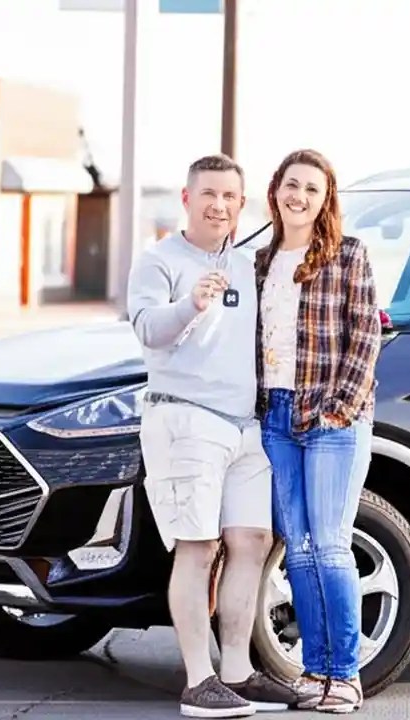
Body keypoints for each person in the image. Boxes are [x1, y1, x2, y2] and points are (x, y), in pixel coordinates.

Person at [127, 153, 299, 718]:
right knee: (197, 549)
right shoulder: (159, 261)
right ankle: (197, 682)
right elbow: (148, 329)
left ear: (241, 203)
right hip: (185, 421)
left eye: (230, 196)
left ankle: (237, 673)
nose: (219, 206)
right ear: (186, 198)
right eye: (208, 195)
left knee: (250, 543)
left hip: (245, 427)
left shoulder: (250, 262)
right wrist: (191, 304)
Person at [255, 149, 382, 714]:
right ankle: (314, 672)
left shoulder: (347, 255)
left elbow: (366, 336)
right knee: (299, 550)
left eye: (311, 188)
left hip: (333, 416)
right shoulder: (259, 262)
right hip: (276, 418)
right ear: (275, 190)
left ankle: (345, 674)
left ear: (325, 198)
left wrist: (342, 406)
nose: (298, 196)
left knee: (330, 544)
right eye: (291, 185)